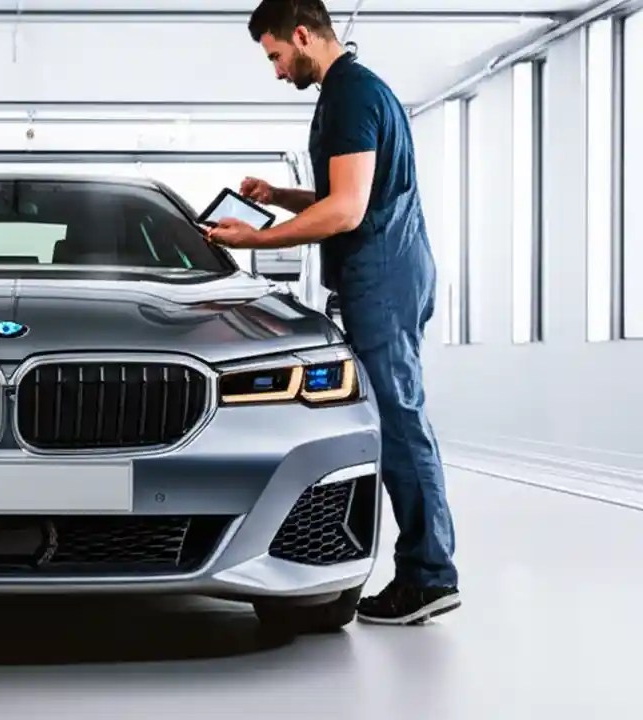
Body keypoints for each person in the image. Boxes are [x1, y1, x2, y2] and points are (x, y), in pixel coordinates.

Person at [205, 0, 460, 625]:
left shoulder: (348, 95)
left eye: (275, 55)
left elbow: (346, 212)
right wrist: (281, 196)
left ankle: (429, 577)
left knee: (398, 422)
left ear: (300, 34)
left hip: (383, 276)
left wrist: (255, 239)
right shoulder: (355, 91)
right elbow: (349, 193)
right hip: (391, 269)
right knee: (395, 416)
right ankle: (426, 570)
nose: (274, 71)